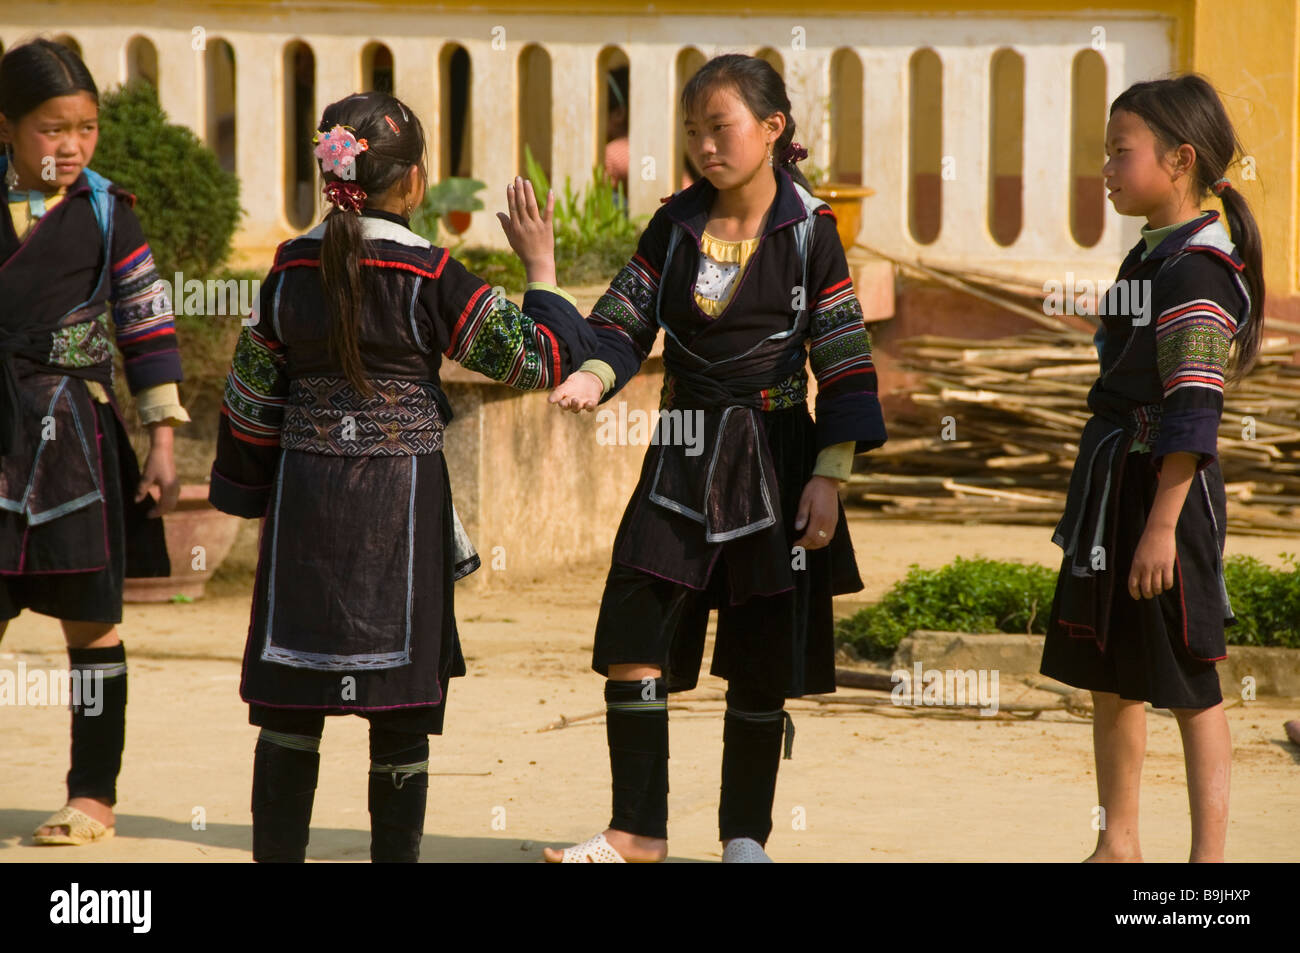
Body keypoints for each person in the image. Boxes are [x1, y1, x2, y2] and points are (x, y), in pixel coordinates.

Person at [207, 91, 595, 862]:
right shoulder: (433, 276)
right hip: (402, 515)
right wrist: (541, 268)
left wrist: (250, 494)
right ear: (413, 185)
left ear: (332, 173)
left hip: (305, 515)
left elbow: (249, 402)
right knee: (399, 714)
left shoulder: (286, 271)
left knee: (290, 704)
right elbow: (543, 355)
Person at [544, 53, 886, 863]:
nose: (704, 144)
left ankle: (745, 838)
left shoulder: (811, 233)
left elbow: (841, 359)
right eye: (693, 130)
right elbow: (623, 324)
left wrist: (829, 478)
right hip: (680, 454)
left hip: (775, 455)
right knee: (634, 625)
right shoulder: (674, 225)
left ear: (773, 129)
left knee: (761, 650)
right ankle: (637, 831)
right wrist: (594, 375)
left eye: (720, 126)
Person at [1040, 74, 1265, 863]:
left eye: (1119, 152)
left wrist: (1163, 527)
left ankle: (1208, 867)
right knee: (1112, 670)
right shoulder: (1150, 256)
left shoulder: (1198, 271)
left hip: (1169, 493)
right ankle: (1119, 844)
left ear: (1179, 159)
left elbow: (1194, 413)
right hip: (1117, 487)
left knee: (1190, 680)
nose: (1105, 168)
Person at [0, 38, 188, 846]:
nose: (70, 146)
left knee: (92, 622)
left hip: (72, 437)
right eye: (50, 129)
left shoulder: (111, 211)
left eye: (85, 127)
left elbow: (146, 325)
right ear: (6, 127)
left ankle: (92, 796)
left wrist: (163, 441)